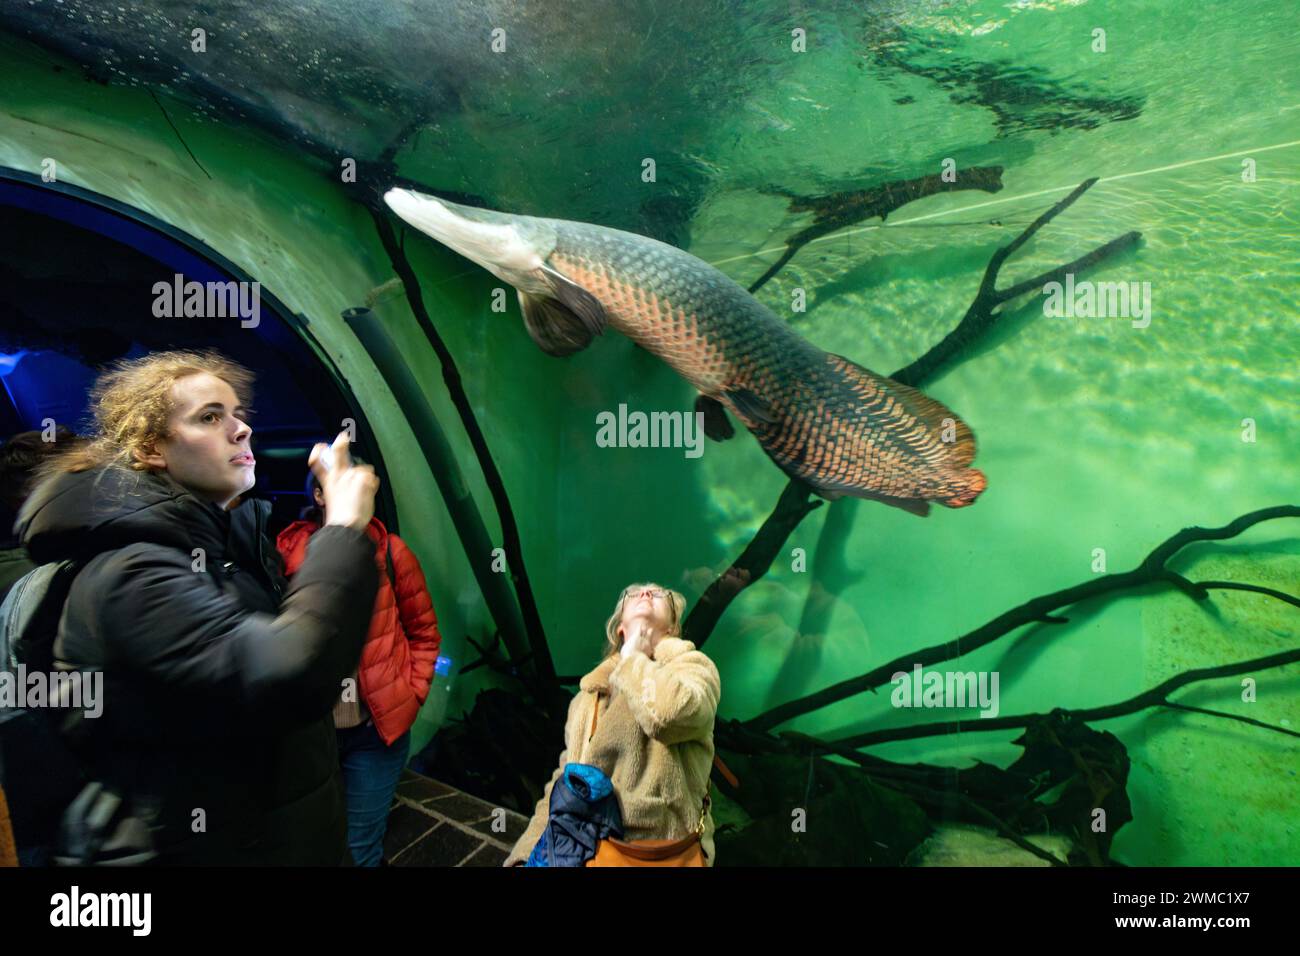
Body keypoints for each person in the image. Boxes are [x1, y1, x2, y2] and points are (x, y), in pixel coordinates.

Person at [15, 349, 380, 865]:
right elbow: (289, 674)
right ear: (151, 449)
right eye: (210, 417)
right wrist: (342, 528)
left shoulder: (227, 549)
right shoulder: (128, 575)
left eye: (239, 415)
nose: (241, 430)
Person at [276, 465, 441, 866]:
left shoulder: (390, 551)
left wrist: (410, 693)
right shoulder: (288, 555)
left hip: (375, 734)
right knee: (311, 841)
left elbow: (424, 632)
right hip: (314, 736)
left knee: (360, 848)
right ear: (319, 496)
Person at [503, 582, 721, 866]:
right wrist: (526, 854)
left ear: (672, 627)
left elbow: (670, 714)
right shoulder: (587, 696)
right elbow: (565, 780)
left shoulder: (694, 668)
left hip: (659, 855)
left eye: (658, 593)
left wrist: (633, 657)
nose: (645, 593)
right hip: (586, 854)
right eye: (635, 592)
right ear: (620, 625)